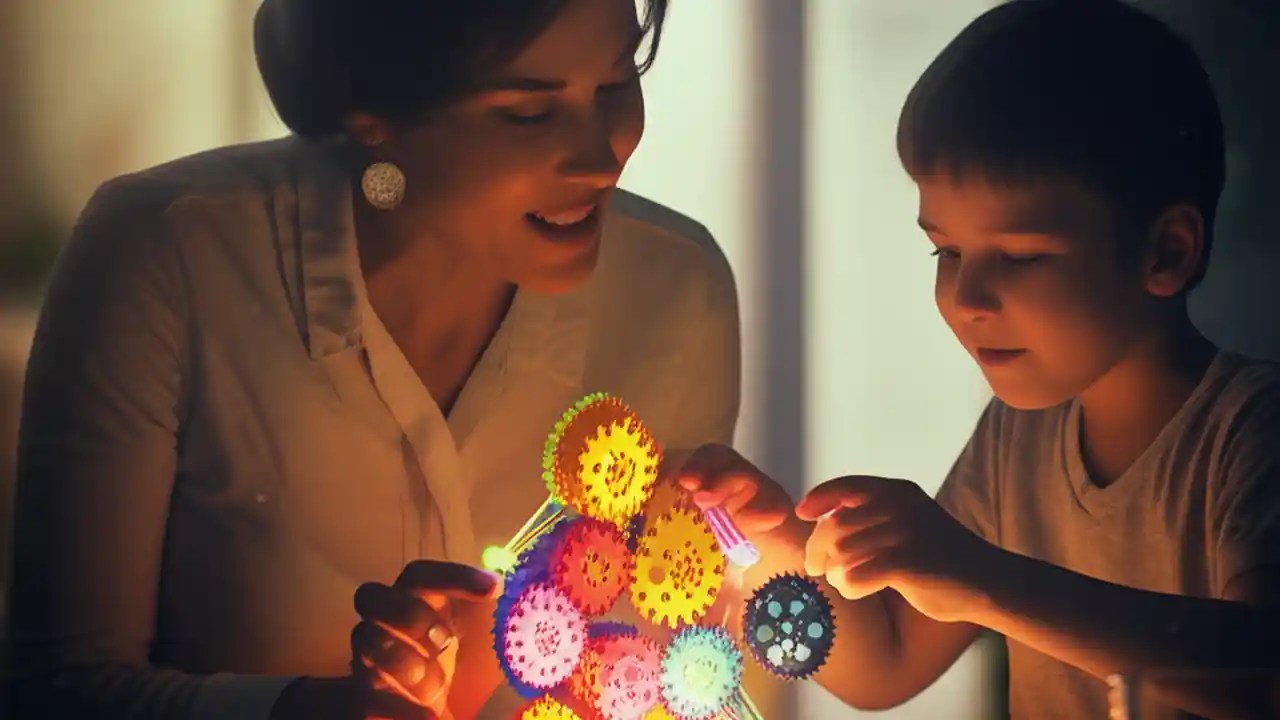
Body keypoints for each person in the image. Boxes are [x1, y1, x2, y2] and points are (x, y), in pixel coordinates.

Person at [6, 1, 750, 718]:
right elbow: (56, 687)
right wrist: (296, 709)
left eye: (618, 84)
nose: (601, 157)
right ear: (374, 111)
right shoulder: (167, 256)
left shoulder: (674, 290)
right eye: (528, 112)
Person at [679, 1, 1280, 718]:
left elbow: (1259, 668)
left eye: (1019, 257)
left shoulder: (1250, 434)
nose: (967, 298)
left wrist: (980, 576)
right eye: (948, 251)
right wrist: (771, 536)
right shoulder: (1017, 439)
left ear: (1166, 251)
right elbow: (889, 662)